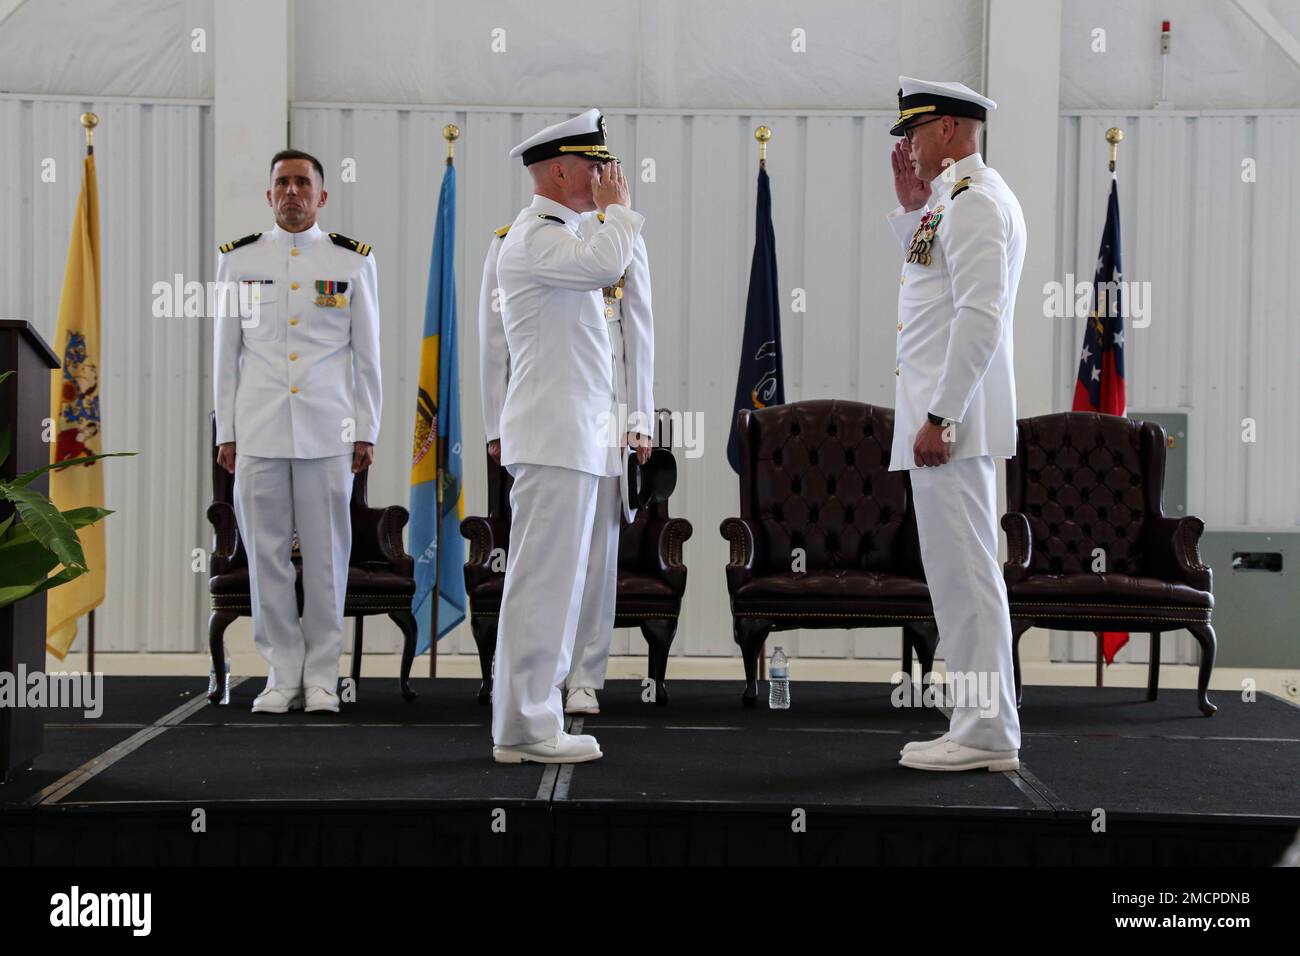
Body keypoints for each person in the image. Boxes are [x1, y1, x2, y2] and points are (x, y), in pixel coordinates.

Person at [489, 109, 647, 764]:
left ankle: (536, 717)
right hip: (553, 440)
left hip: (572, 438)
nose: (605, 176)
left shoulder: (566, 236)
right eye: (594, 166)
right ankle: (525, 727)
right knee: (542, 585)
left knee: (559, 585)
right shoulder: (535, 237)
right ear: (558, 170)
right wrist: (621, 210)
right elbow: (607, 266)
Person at [885, 77, 1025, 771]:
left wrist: (942, 415)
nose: (907, 147)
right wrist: (913, 207)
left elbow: (979, 316)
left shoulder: (975, 205)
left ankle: (987, 731)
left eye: (913, 132)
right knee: (957, 576)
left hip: (951, 424)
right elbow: (930, 291)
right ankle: (976, 720)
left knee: (967, 577)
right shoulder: (950, 202)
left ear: (946, 130)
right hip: (941, 422)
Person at [212, 149, 382, 715]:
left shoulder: (352, 261)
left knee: (329, 555)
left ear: (321, 196)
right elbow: (225, 355)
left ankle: (322, 679)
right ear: (268, 195)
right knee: (266, 557)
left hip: (327, 431)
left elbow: (367, 354)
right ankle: (281, 673)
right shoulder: (238, 261)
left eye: (302, 183)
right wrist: (226, 431)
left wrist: (366, 428)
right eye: (281, 183)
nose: (291, 192)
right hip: (258, 430)